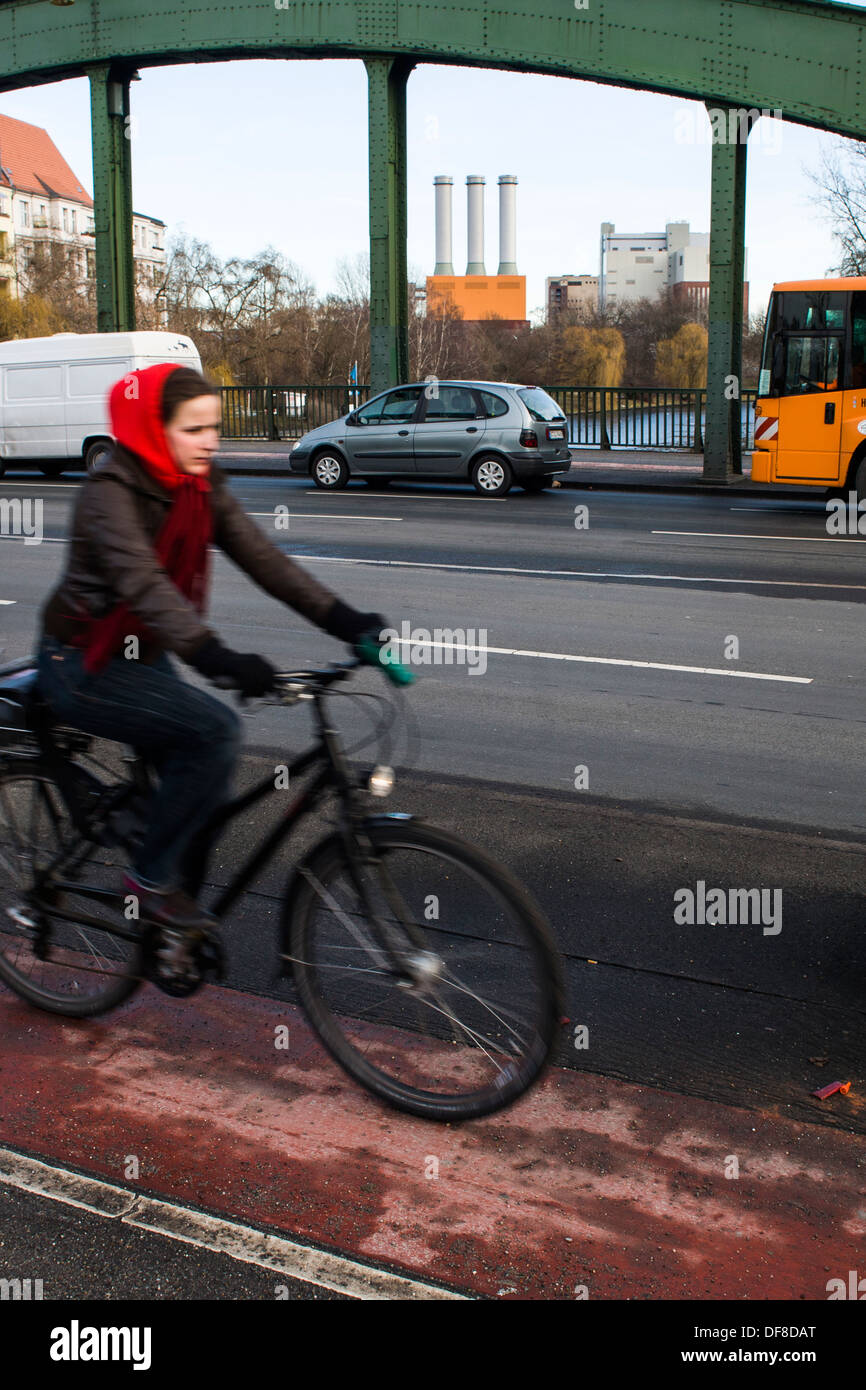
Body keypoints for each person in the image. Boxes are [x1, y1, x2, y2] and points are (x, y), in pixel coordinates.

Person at [36, 362, 384, 950]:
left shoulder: (199, 486)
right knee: (215, 733)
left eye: (215, 426)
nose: (212, 441)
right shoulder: (109, 494)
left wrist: (344, 620)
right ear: (155, 430)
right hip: (81, 660)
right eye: (194, 429)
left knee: (200, 784)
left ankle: (166, 914)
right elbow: (145, 586)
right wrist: (217, 657)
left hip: (141, 653)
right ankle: (147, 883)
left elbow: (265, 561)